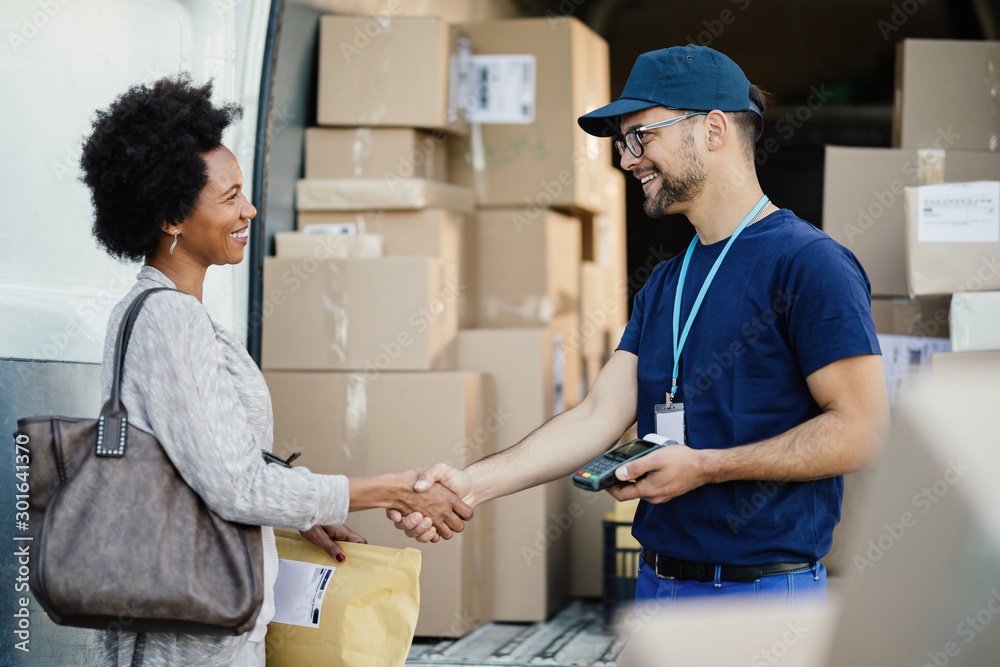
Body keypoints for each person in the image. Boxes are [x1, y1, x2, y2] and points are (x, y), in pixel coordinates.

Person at [391, 45, 890, 608]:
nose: (627, 160)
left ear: (714, 129)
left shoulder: (811, 265)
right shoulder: (667, 282)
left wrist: (704, 468)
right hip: (658, 586)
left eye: (641, 137)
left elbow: (861, 430)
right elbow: (598, 414)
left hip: (763, 594)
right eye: (622, 143)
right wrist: (470, 485)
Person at [81, 74, 470, 666]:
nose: (250, 209)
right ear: (170, 216)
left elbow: (209, 457)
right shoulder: (170, 321)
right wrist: (384, 490)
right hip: (188, 635)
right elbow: (236, 485)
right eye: (230, 196)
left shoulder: (163, 310)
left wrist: (302, 512)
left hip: (198, 616)